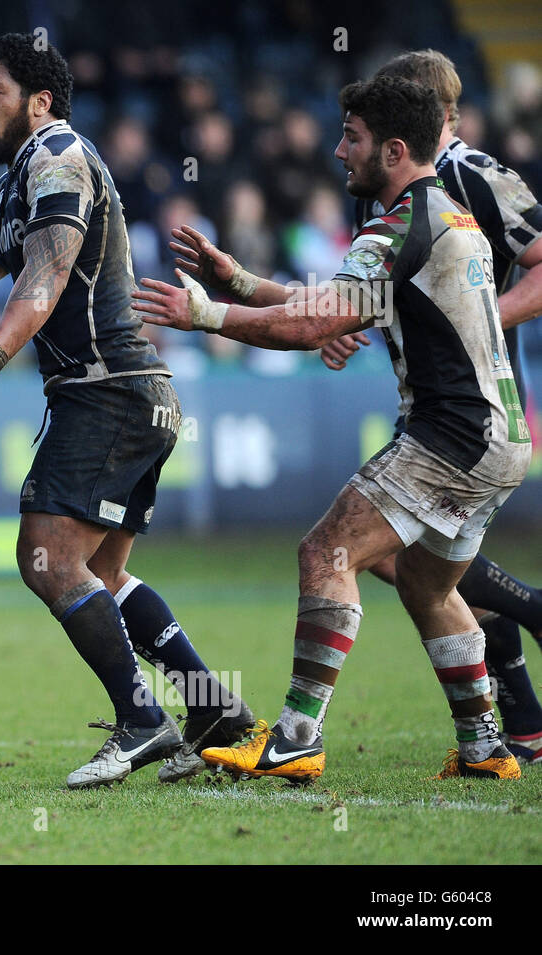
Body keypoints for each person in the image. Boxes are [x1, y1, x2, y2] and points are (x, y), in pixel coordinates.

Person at [132, 74, 530, 781]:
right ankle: (486, 746)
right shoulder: (447, 215)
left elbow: (316, 321)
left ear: (395, 148)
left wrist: (207, 315)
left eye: (353, 137)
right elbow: (328, 303)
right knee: (428, 587)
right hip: (499, 440)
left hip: (450, 435)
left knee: (327, 552)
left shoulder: (404, 221)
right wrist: (244, 284)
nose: (339, 150)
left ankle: (294, 736)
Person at [0, 33, 252, 788]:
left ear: (39, 101)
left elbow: (42, 279)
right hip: (129, 392)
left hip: (106, 390)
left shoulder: (58, 157)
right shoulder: (17, 177)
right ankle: (215, 710)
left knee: (44, 555)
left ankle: (141, 720)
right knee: (101, 576)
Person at [319, 50, 542, 765]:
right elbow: (383, 283)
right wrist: (346, 322)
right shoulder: (387, 186)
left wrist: (481, 320)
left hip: (474, 401)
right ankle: (521, 725)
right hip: (428, 396)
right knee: (416, 567)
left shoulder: (473, 175)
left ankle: (525, 634)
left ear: (430, 111)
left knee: (376, 553)